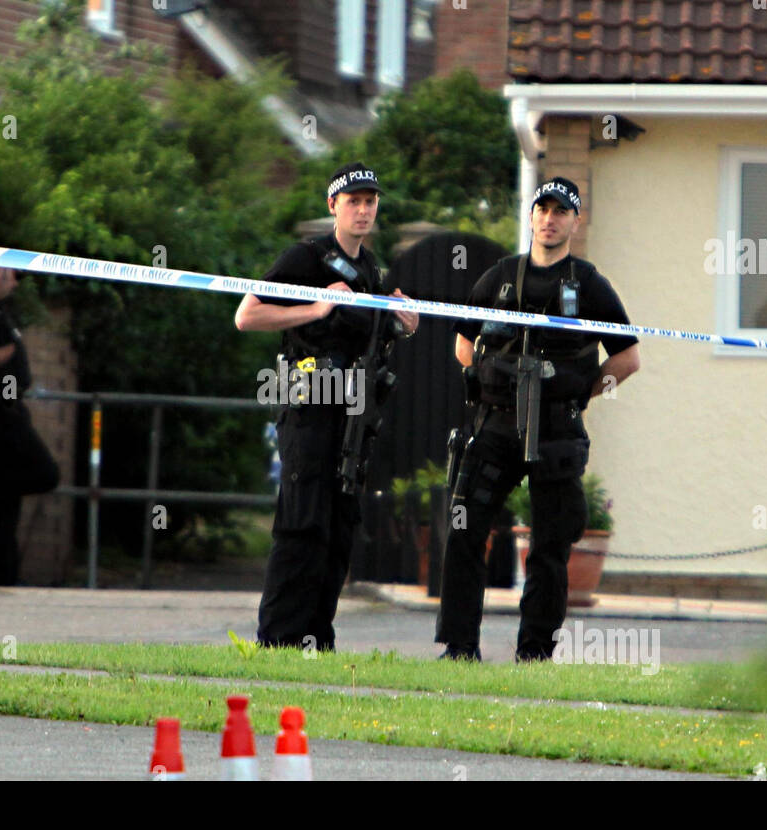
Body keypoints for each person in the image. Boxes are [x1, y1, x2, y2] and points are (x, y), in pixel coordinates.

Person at [436, 177, 640, 662]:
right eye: (542, 210)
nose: (549, 219)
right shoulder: (500, 276)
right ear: (530, 216)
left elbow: (628, 357)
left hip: (556, 432)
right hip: (496, 426)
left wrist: (581, 393)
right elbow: (463, 342)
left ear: (574, 220)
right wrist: (490, 380)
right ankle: (460, 647)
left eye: (560, 211)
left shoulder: (589, 283)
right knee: (465, 532)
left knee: (550, 546)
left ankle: (534, 654)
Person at [234, 162, 419, 652]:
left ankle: (317, 637)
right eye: (352, 201)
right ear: (332, 206)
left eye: (370, 201)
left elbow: (377, 332)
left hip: (354, 405)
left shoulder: (372, 269)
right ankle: (279, 639)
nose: (362, 209)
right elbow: (247, 315)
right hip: (308, 396)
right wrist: (314, 306)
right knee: (302, 517)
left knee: (339, 523)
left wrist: (402, 320)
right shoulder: (307, 256)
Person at [0, 265, 60, 586]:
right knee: (43, 473)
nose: (17, 282)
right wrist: (14, 347)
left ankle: (3, 575)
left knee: (4, 504)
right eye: (15, 274)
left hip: (7, 411)